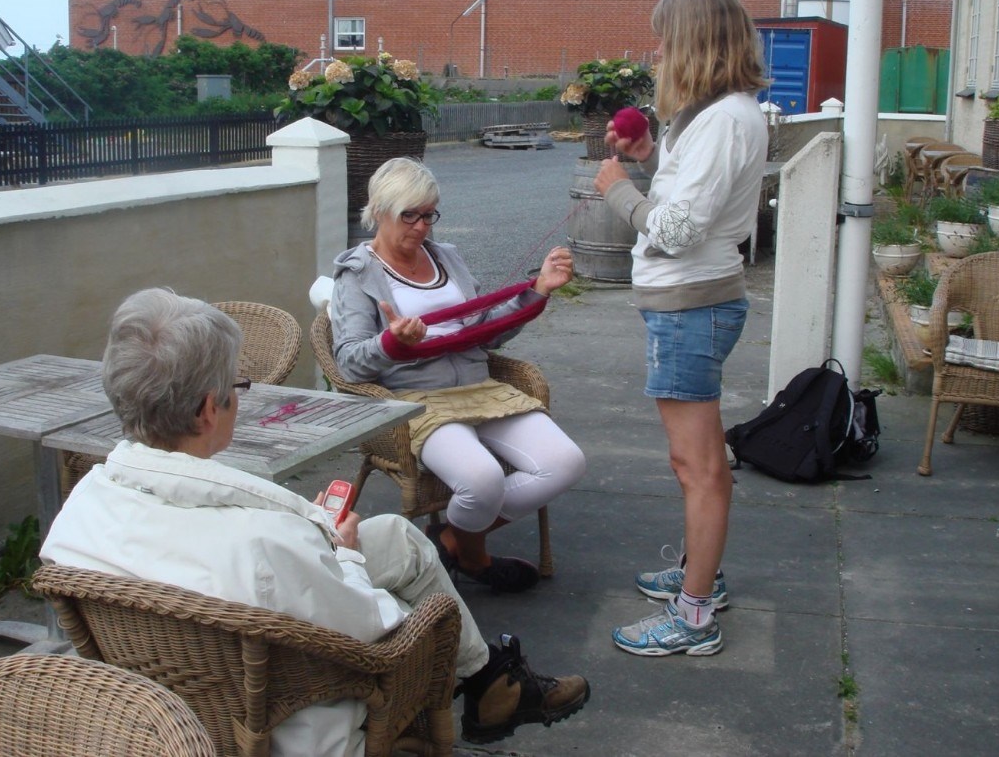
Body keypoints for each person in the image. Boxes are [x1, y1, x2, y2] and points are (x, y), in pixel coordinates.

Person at [40, 288, 590, 755]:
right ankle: (489, 687)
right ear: (209, 410)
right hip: (290, 717)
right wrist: (340, 551)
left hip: (162, 701)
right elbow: (370, 623)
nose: (239, 398)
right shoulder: (265, 541)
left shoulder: (79, 511)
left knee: (398, 538)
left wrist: (318, 540)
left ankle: (492, 682)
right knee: (420, 605)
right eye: (238, 387)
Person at [592, 0, 769, 657]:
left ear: (695, 43)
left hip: (692, 307)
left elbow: (674, 229)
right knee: (697, 460)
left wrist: (619, 192)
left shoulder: (724, 120)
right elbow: (691, 195)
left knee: (697, 466)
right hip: (690, 304)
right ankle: (701, 575)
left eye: (665, 40)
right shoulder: (712, 115)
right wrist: (646, 160)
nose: (658, 53)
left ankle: (693, 616)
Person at [331, 157, 586, 594]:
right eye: (409, 215)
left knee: (566, 462)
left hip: (478, 387)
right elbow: (349, 362)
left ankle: (449, 542)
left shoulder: (446, 257)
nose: (421, 227)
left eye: (429, 215)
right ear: (379, 210)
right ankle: (476, 559)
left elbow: (484, 332)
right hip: (415, 399)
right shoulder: (358, 274)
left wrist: (537, 290)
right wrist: (392, 344)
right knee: (481, 480)